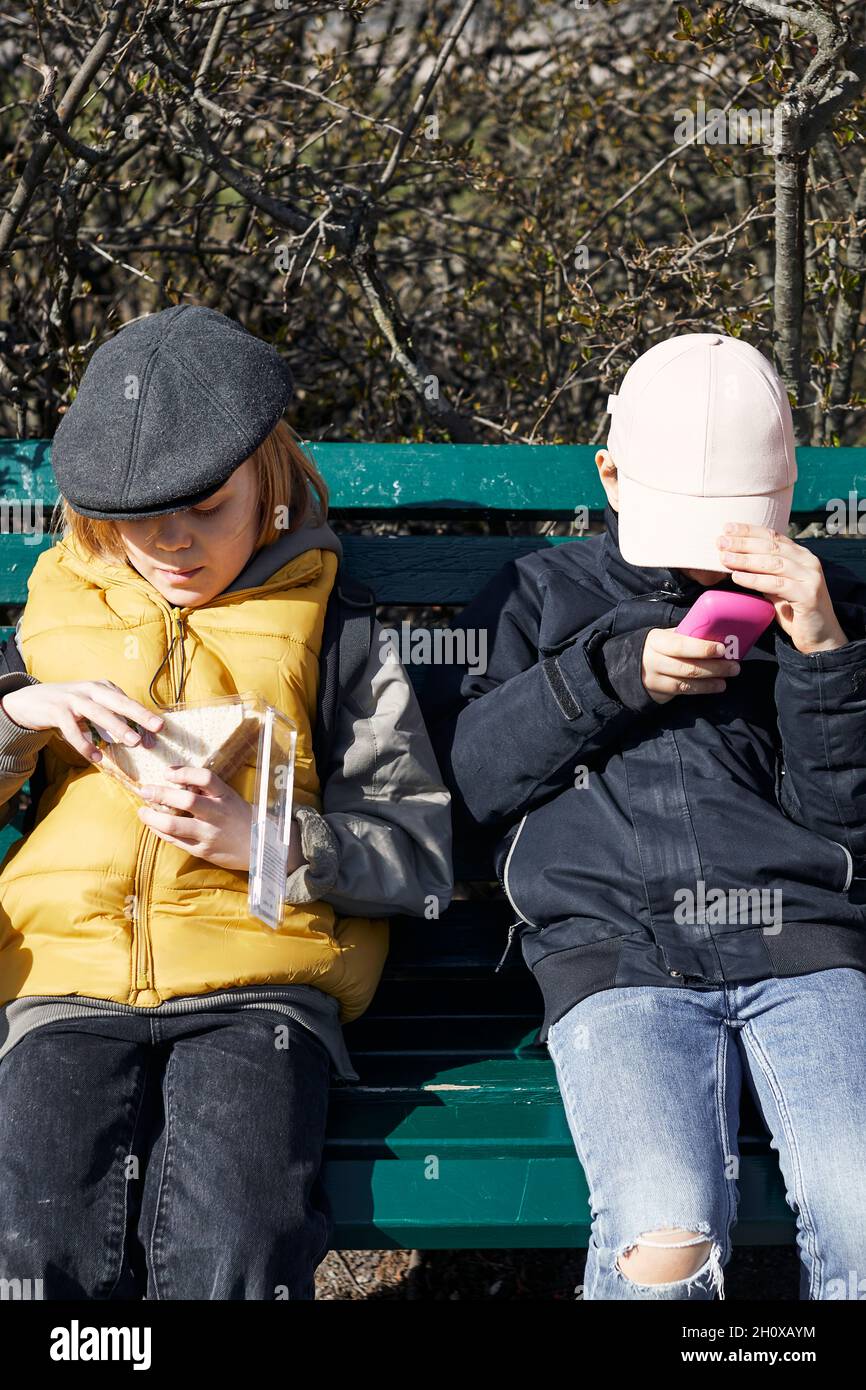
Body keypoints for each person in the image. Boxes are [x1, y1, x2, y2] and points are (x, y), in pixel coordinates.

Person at [0, 303, 453, 1300]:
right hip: (63, 980)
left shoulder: (334, 628)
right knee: (34, 1247)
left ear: (270, 481)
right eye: (135, 511)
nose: (169, 541)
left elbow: (416, 856)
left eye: (204, 504)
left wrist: (266, 839)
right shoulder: (46, 622)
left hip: (260, 991)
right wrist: (22, 716)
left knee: (238, 1246)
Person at [423, 333, 866, 1300]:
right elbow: (466, 786)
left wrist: (823, 656)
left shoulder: (827, 612)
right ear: (608, 476)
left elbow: (847, 837)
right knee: (663, 1239)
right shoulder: (539, 595)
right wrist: (608, 675)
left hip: (804, 949)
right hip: (618, 954)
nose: (712, 568)